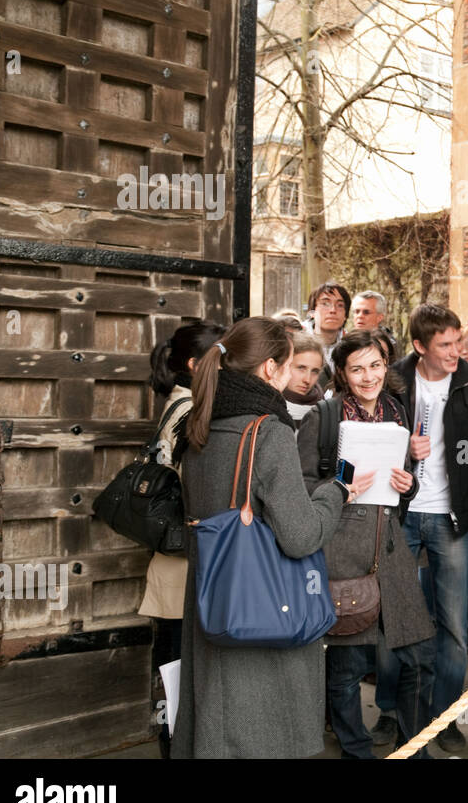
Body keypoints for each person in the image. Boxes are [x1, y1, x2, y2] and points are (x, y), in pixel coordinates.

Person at [173, 317, 362, 758]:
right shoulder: (268, 432)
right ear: (270, 370)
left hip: (211, 598)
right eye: (291, 365)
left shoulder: (201, 425)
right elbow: (300, 536)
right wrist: (335, 492)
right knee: (260, 739)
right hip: (262, 613)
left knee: (215, 733)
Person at [297, 331, 433, 758]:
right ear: (342, 372)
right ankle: (357, 751)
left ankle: (416, 745)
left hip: (392, 547)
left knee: (417, 658)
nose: (368, 376)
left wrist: (408, 485)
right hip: (343, 550)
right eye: (357, 368)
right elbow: (299, 485)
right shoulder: (324, 416)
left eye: (375, 365)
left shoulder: (397, 412)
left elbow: (402, 484)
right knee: (346, 668)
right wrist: (338, 488)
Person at [392, 303, 468, 753]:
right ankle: (399, 718)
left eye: (459, 341)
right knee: (398, 624)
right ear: (419, 346)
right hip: (401, 516)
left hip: (452, 519)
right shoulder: (394, 380)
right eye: (444, 345)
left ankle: (445, 720)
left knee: (456, 628)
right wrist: (405, 450)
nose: (457, 351)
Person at [140, 320, 225, 758]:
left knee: (175, 666)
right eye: (219, 358)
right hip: (180, 565)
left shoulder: (181, 402)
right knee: (175, 671)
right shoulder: (188, 409)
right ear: (195, 365)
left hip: (179, 563)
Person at [306, 281, 352, 375]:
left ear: (345, 315)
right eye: (325, 304)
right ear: (312, 312)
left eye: (340, 305)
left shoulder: (352, 345)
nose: (333, 310)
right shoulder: (295, 340)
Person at [283, 331, 326, 425]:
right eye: (301, 368)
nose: (307, 380)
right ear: (284, 365)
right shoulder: (267, 405)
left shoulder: (326, 410)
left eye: (314, 371)